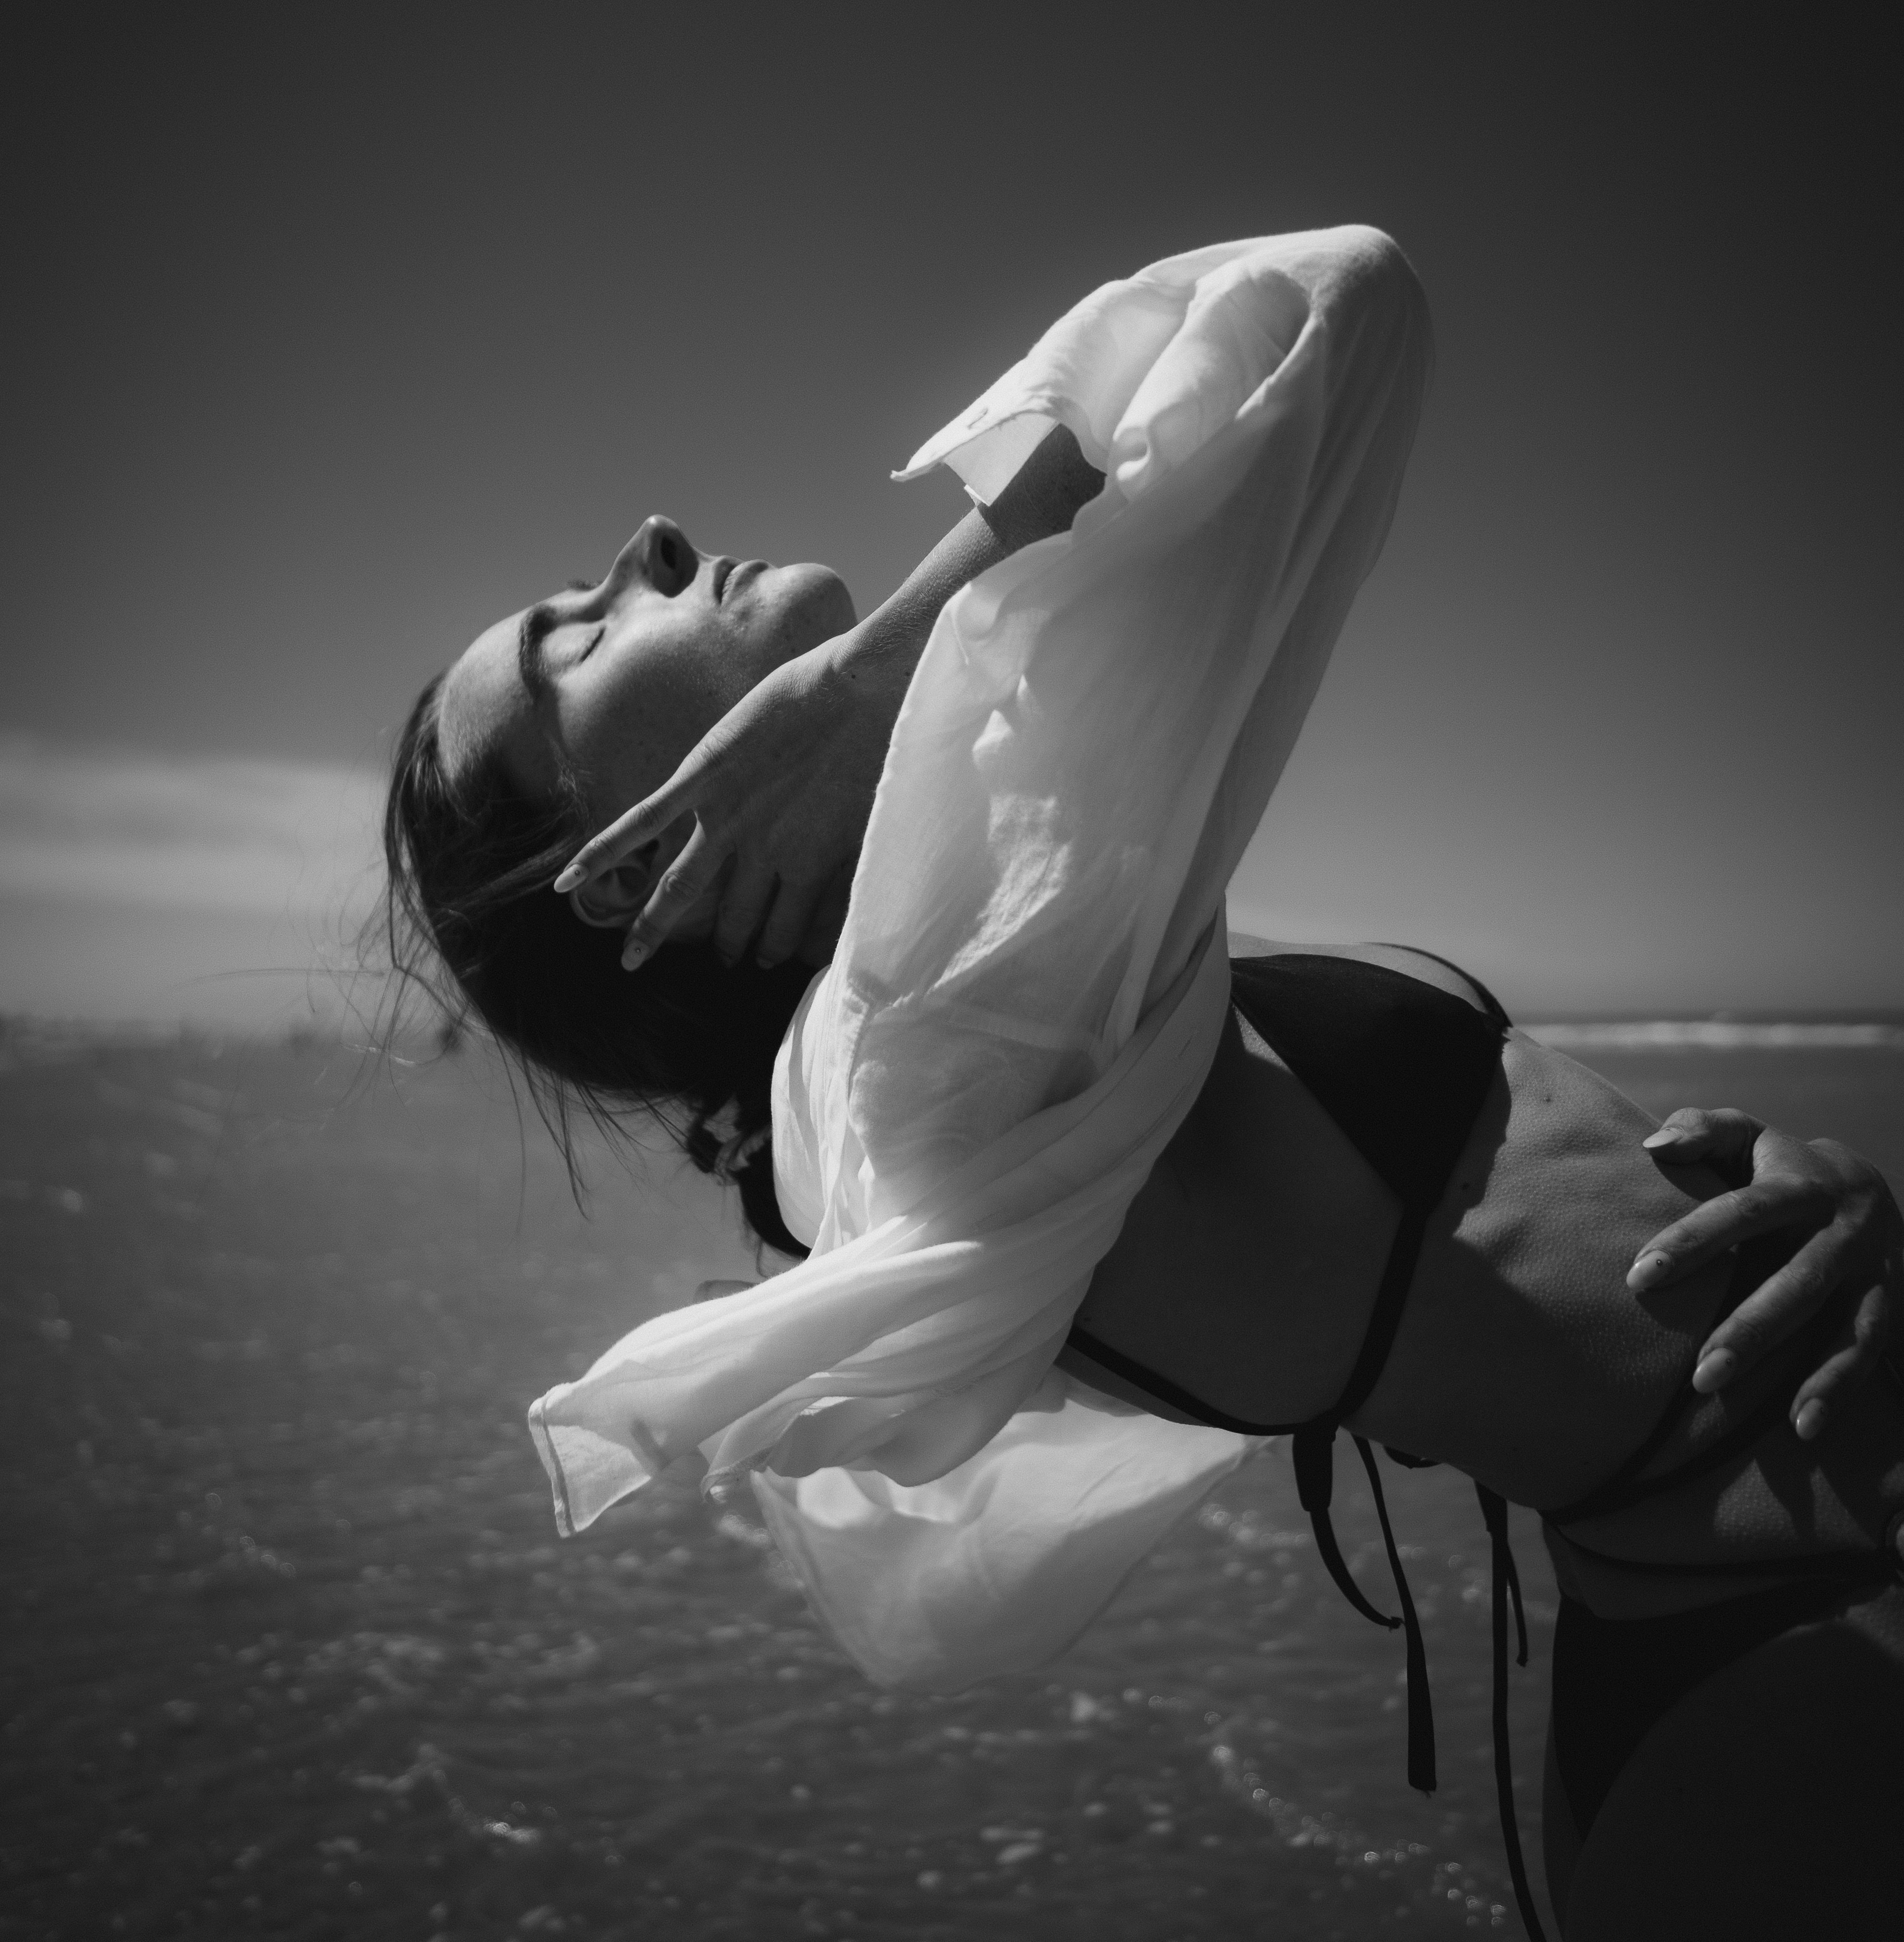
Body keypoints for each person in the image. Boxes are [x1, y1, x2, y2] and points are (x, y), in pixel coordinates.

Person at [384, 227, 1902, 1940]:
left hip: (1742, 1610)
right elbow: (1317, 307)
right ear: (611, 871)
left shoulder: (945, 1003)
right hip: (1782, 1662)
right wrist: (866, 664)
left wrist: (1809, 1189)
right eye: (576, 641)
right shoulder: (925, 1029)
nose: (642, 547)